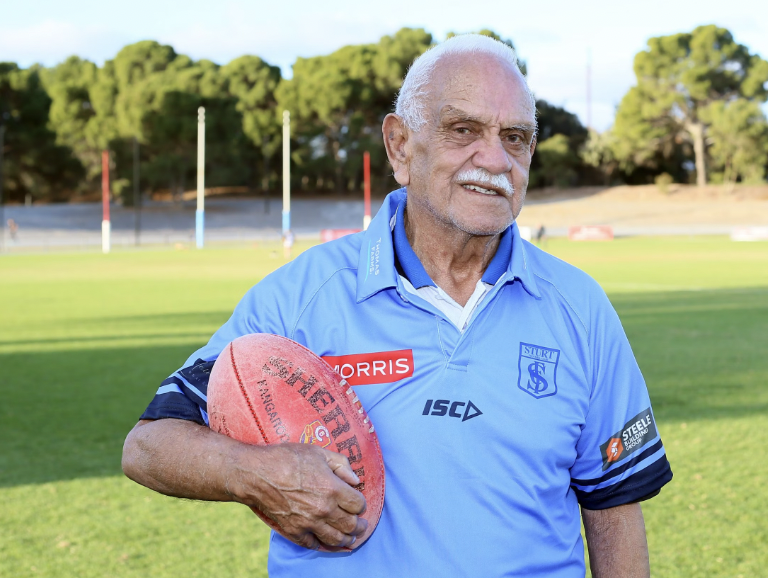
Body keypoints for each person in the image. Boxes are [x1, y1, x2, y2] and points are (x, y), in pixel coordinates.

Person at [122, 34, 671, 577]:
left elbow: (615, 504)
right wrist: (254, 472)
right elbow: (148, 446)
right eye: (463, 130)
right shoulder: (300, 298)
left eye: (515, 137)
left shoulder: (580, 307)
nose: (495, 159)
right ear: (400, 146)